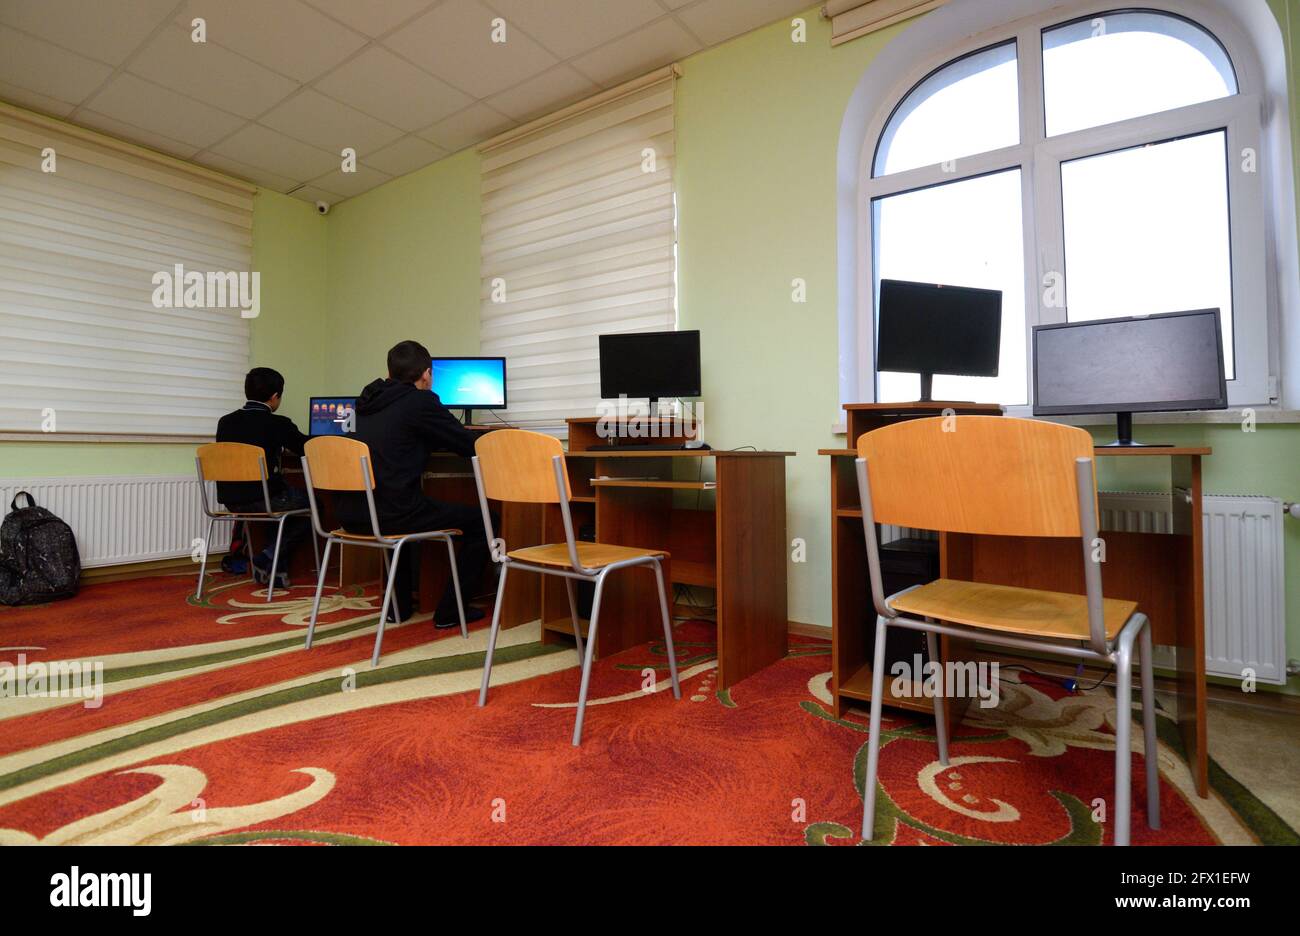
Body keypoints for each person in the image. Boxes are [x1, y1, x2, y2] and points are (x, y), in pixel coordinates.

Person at [337, 340, 492, 628]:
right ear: (427, 374)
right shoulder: (420, 402)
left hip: (355, 514)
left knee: (403, 501)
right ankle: (451, 610)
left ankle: (399, 606)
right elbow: (467, 445)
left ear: (390, 372)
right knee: (484, 520)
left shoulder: (366, 403)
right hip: (392, 515)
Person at [215, 367, 313, 590]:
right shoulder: (278, 424)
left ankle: (277, 573)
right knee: (312, 506)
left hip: (231, 499)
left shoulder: (225, 422)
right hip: (264, 498)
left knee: (281, 509)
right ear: (275, 397)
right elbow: (305, 447)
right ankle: (268, 555)